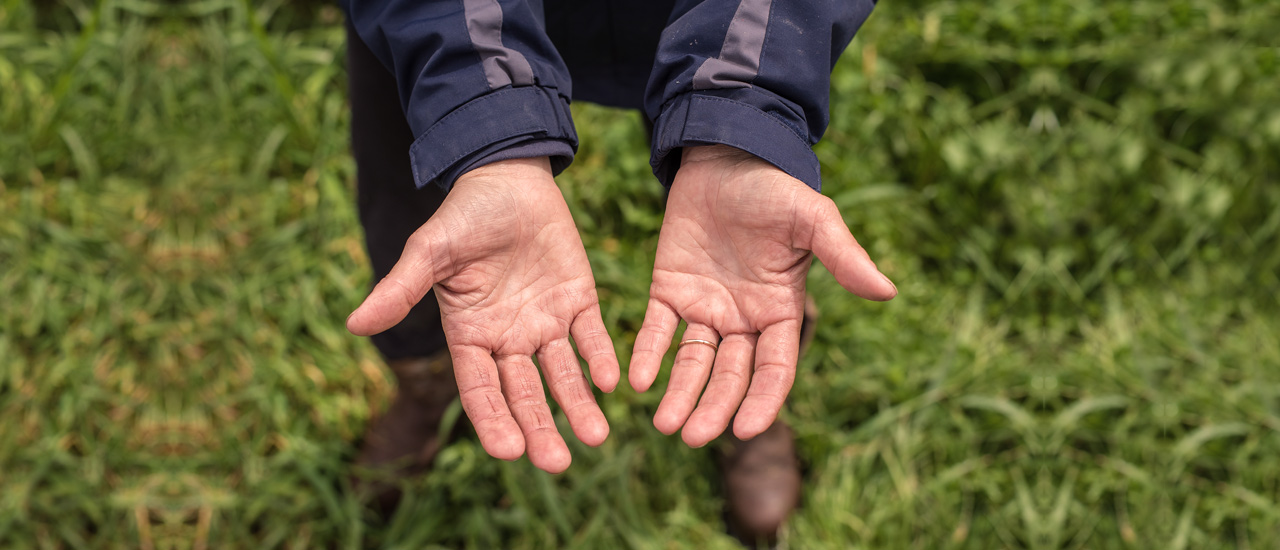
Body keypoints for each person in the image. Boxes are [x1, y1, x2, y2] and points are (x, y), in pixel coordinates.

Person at [339, 0, 896, 543]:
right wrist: (488, 131)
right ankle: (426, 382)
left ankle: (744, 379)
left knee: (748, 199)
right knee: (426, 195)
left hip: (728, 20)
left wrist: (745, 103)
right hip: (436, 31)